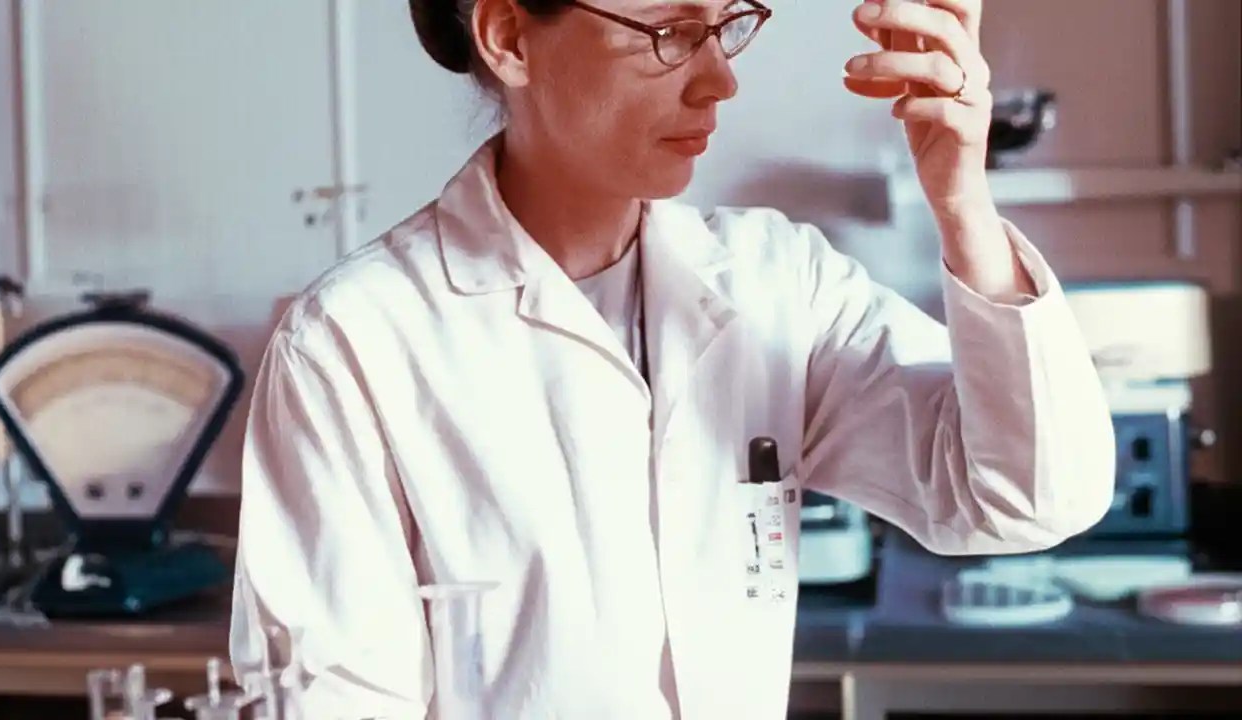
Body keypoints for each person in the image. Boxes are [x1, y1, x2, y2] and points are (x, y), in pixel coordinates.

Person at [229, 0, 1115, 717]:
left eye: (726, 24)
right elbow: (328, 700)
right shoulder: (357, 341)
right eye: (670, 33)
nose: (719, 80)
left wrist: (962, 201)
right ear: (508, 38)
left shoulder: (778, 283)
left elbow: (1024, 500)